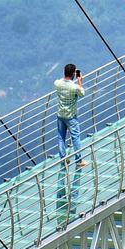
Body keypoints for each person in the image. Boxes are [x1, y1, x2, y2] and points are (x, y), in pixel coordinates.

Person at [53, 63, 86, 215]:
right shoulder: (74, 87)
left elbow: (61, 84)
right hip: (71, 116)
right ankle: (78, 160)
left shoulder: (57, 83)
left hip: (60, 115)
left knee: (61, 137)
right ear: (73, 74)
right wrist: (80, 81)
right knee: (75, 137)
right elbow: (82, 94)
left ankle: (63, 157)